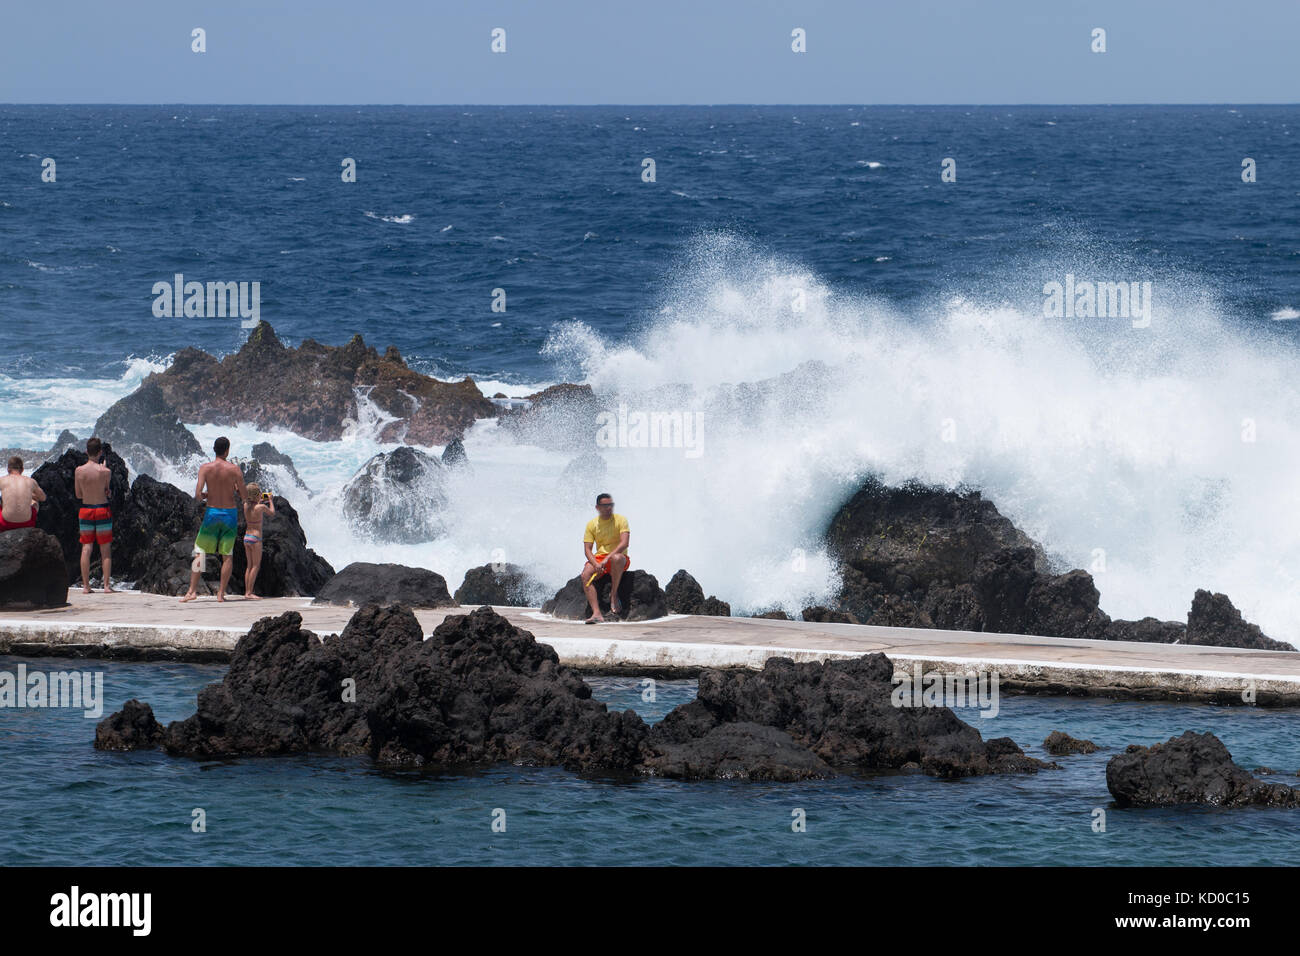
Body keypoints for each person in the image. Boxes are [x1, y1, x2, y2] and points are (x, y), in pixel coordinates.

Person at [180, 436, 246, 603]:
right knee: (227, 555)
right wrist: (236, 490)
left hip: (212, 513)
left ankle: (192, 591)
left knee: (200, 552)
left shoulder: (205, 468)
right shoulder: (234, 470)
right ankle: (221, 594)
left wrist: (207, 495)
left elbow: (197, 495)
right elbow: (244, 496)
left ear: (214, 449)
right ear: (227, 450)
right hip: (229, 514)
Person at [580, 492, 630, 623]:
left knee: (617, 558)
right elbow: (587, 549)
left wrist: (607, 558)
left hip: (618, 557)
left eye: (611, 505)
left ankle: (613, 594)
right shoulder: (591, 524)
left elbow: (624, 543)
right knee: (585, 575)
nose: (609, 508)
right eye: (605, 505)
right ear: (597, 507)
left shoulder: (621, 520)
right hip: (599, 559)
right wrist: (595, 564)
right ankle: (596, 613)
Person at [74, 439, 115, 593]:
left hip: (86, 510)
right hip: (102, 509)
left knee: (86, 547)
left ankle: (86, 586)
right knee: (105, 549)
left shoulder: (79, 471)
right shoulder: (105, 472)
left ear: (86, 452)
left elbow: (78, 494)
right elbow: (107, 491)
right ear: (100, 453)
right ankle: (106, 586)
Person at [241, 482, 275, 600]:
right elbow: (272, 513)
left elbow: (252, 505)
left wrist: (257, 500)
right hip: (256, 538)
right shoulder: (261, 507)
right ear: (257, 494)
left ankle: (247, 591)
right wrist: (270, 500)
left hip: (247, 537)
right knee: (256, 566)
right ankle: (249, 593)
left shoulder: (246, 505)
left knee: (249, 566)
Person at [0, 456, 46, 532]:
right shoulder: (31, 481)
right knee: (35, 502)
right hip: (27, 523)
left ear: (8, 469)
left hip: (4, 524)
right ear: (22, 470)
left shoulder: (2, 480)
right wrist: (30, 496)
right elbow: (43, 498)